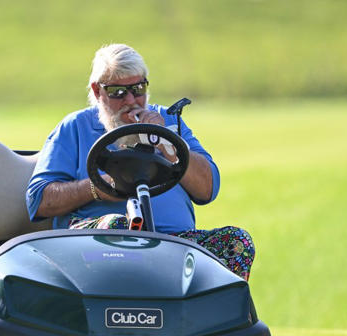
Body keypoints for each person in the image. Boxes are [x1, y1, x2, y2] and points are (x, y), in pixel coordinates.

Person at [26, 44, 255, 280]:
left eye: (138, 89)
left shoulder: (167, 120)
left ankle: (210, 316)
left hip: (172, 242)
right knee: (116, 227)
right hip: (95, 243)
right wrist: (98, 188)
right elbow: (39, 200)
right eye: (117, 92)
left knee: (236, 242)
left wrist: (167, 144)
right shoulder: (75, 127)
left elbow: (208, 189)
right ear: (97, 91)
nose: (131, 100)